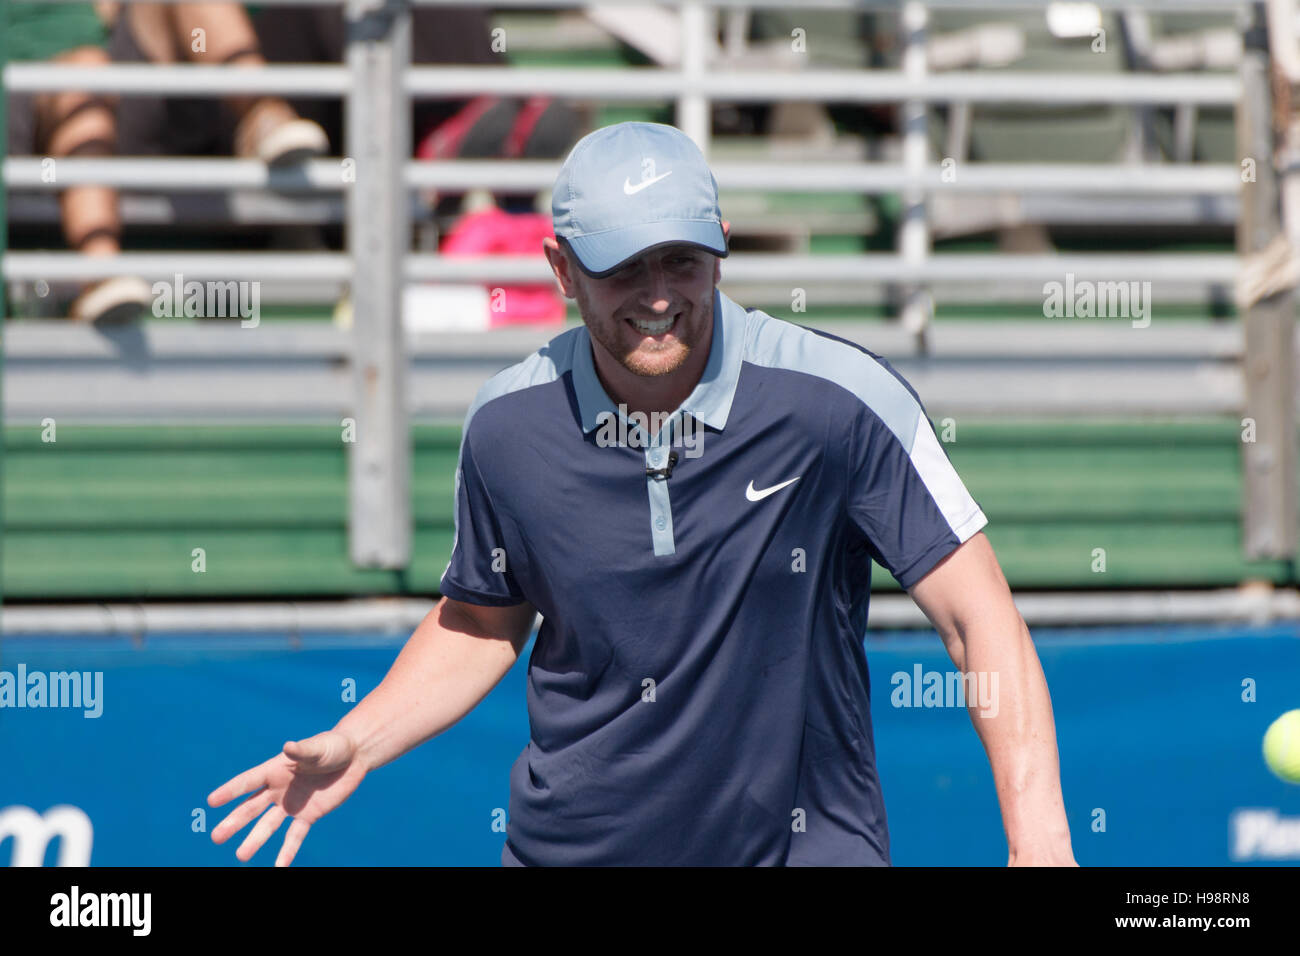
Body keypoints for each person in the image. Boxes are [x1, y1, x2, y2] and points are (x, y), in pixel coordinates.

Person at [208, 122, 1077, 867]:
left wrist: (1039, 841)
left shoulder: (839, 399)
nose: (660, 295)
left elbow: (978, 619)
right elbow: (482, 622)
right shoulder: (507, 427)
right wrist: (361, 737)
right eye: (625, 267)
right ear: (561, 269)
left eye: (682, 260)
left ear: (722, 248)